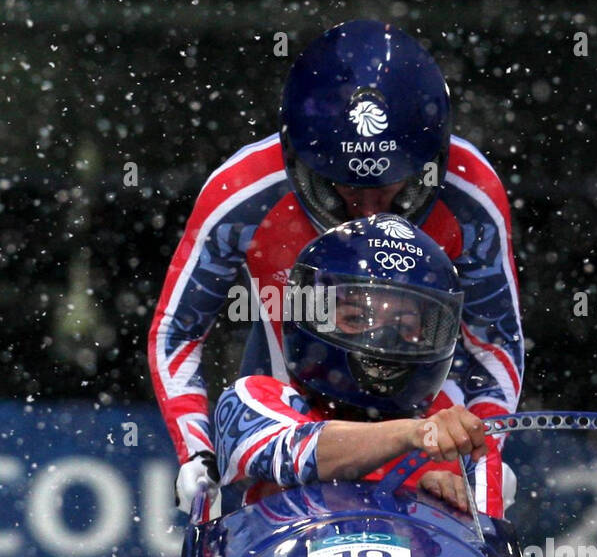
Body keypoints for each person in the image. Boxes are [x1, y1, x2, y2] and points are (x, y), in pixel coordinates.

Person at [149, 20, 523, 517]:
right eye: (353, 315)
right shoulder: (241, 194)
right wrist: (197, 455)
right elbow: (177, 329)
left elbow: (495, 341)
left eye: (406, 320)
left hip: (429, 428)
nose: (369, 208)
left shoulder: (470, 194)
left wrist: (480, 463)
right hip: (292, 420)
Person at [212, 215, 514, 514]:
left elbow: (484, 549)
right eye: (357, 319)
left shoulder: (459, 427)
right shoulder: (253, 398)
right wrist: (413, 436)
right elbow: (296, 454)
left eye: (405, 326)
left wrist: (438, 509)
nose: (384, 340)